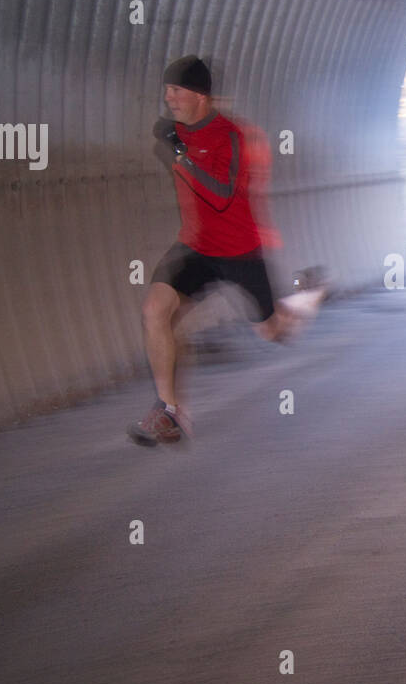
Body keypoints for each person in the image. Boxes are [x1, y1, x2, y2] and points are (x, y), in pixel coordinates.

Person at [128, 55, 327, 446]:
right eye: (166, 89)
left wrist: (181, 155)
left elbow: (220, 195)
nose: (168, 98)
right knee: (156, 312)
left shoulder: (232, 135)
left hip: (240, 252)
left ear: (199, 95)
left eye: (175, 89)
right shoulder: (175, 133)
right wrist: (176, 146)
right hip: (196, 249)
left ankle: (305, 298)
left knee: (273, 332)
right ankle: (169, 412)